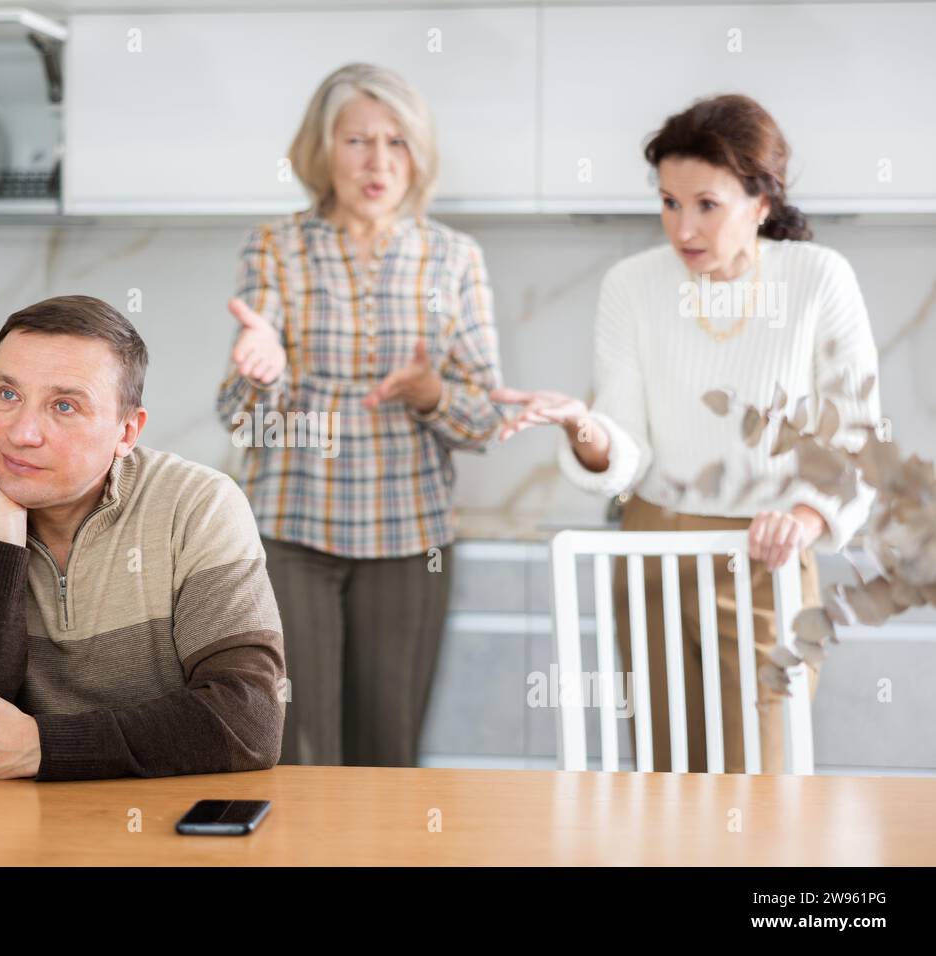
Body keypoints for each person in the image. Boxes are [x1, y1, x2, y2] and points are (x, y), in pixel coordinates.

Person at [491, 95, 881, 772]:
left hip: (767, 555)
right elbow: (626, 444)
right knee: (668, 776)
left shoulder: (819, 279)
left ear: (761, 200)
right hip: (650, 549)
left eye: (707, 204)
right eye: (669, 202)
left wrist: (809, 517)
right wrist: (587, 429)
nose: (683, 227)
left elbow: (857, 436)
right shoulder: (631, 286)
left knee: (762, 775)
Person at [216, 63, 503, 767]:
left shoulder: (454, 258)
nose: (378, 161)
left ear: (419, 155)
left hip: (411, 538)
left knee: (389, 753)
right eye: (356, 140)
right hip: (291, 530)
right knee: (296, 750)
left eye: (396, 142)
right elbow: (237, 412)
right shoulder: (275, 247)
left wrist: (431, 393)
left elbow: (485, 419)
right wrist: (264, 365)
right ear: (322, 149)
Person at [0, 295, 285, 780]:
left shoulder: (197, 506)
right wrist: (2, 530)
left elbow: (250, 721)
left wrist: (40, 748)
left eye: (64, 405)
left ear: (127, 431)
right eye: (7, 394)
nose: (21, 433)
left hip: (164, 831)